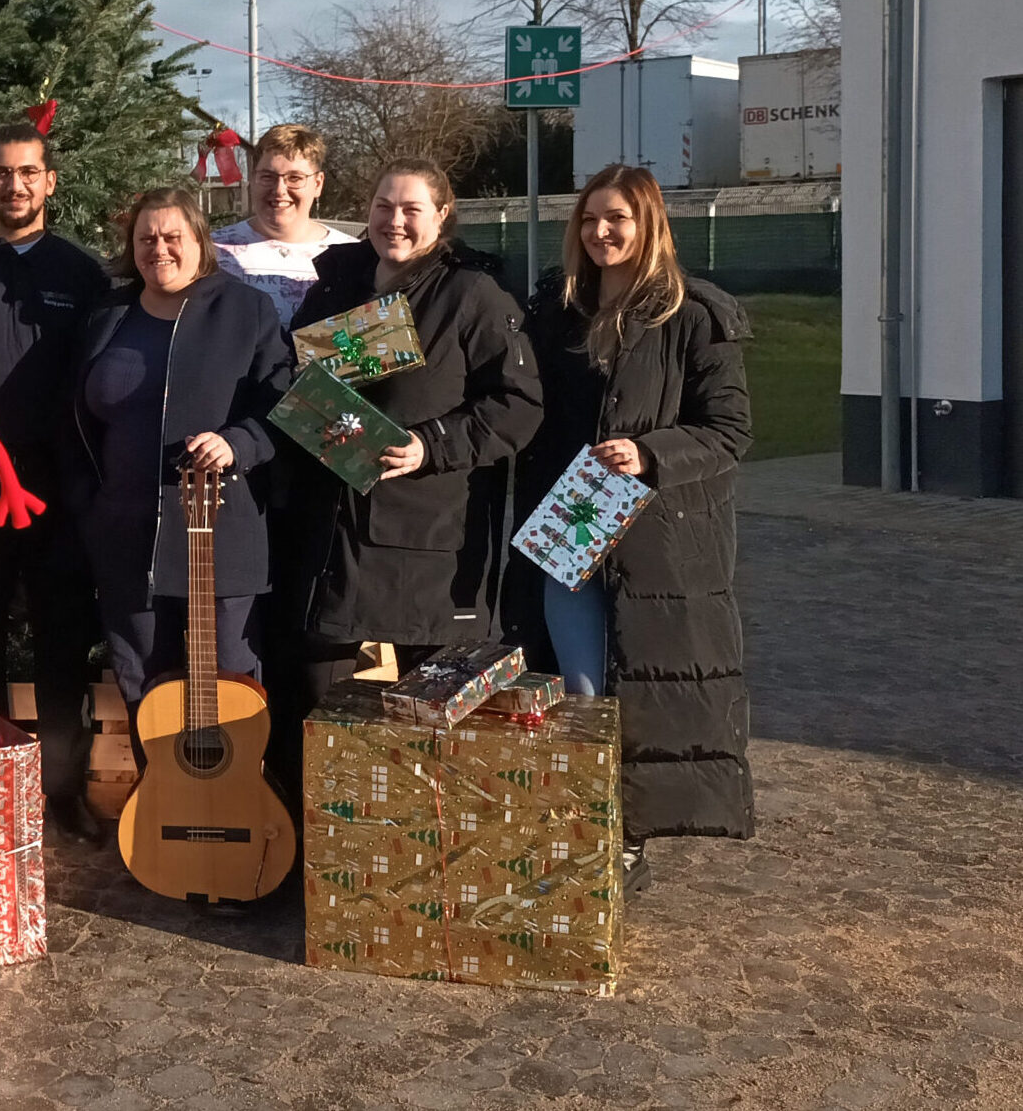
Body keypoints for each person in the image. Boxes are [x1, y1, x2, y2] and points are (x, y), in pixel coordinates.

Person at [516, 163, 755, 892]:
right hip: (569, 531)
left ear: (649, 222)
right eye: (590, 219)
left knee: (646, 692)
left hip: (657, 541)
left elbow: (729, 428)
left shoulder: (695, 314)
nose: (601, 232)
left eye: (617, 218)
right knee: (580, 693)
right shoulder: (552, 312)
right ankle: (588, 823)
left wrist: (651, 453)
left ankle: (628, 836)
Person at [282, 159, 543, 719]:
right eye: (382, 207)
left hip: (426, 547)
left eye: (410, 209)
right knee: (318, 714)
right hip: (332, 536)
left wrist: (432, 444)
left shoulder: (473, 294)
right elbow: (295, 376)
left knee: (425, 722)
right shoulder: (337, 285)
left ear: (443, 216)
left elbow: (519, 406)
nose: (393, 221)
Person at [0, 121, 114, 841]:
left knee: (63, 646)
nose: (15, 185)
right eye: (1, 173)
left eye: (28, 172)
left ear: (50, 181)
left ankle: (63, 792)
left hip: (60, 490)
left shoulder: (82, 273)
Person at [67, 186, 292, 721]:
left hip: (218, 534)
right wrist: (89, 509)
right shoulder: (108, 317)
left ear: (200, 241)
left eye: (173, 237)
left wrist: (238, 442)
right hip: (127, 539)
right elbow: (76, 422)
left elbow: (286, 404)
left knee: (231, 686)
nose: (158, 249)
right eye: (146, 238)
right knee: (145, 690)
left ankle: (236, 804)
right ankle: (160, 802)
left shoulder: (246, 311)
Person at [212, 123, 359, 329]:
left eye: (295, 178)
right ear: (253, 179)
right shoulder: (210, 251)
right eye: (267, 177)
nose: (279, 190)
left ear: (318, 184)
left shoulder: (354, 255)